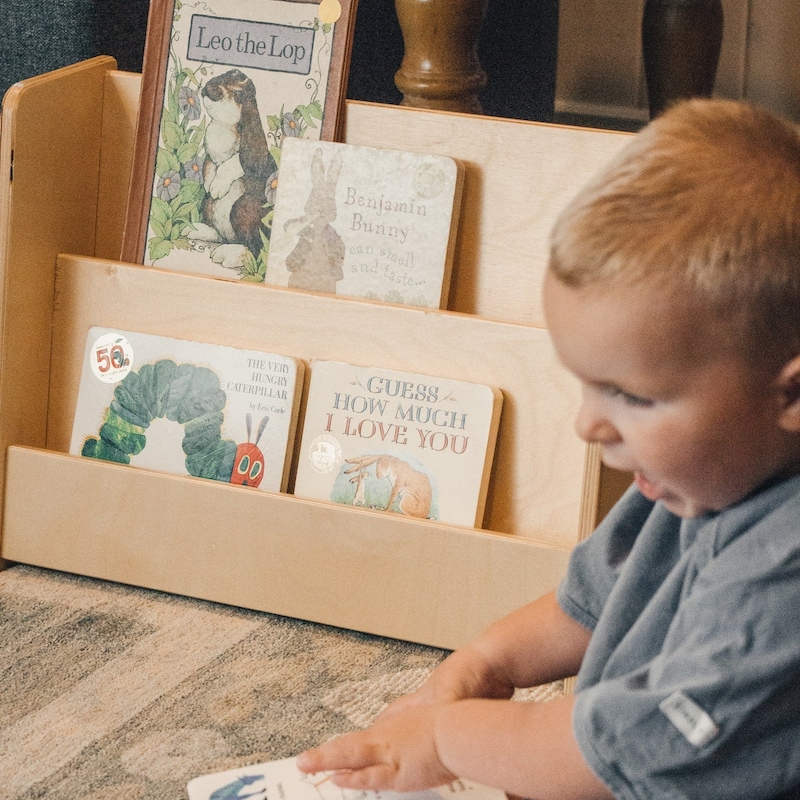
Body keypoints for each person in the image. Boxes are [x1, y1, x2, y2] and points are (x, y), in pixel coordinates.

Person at [296, 98, 800, 800]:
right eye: (588, 387)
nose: (589, 425)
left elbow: (608, 753)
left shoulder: (781, 576)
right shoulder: (699, 473)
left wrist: (448, 739)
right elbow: (587, 605)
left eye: (632, 396)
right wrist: (482, 663)